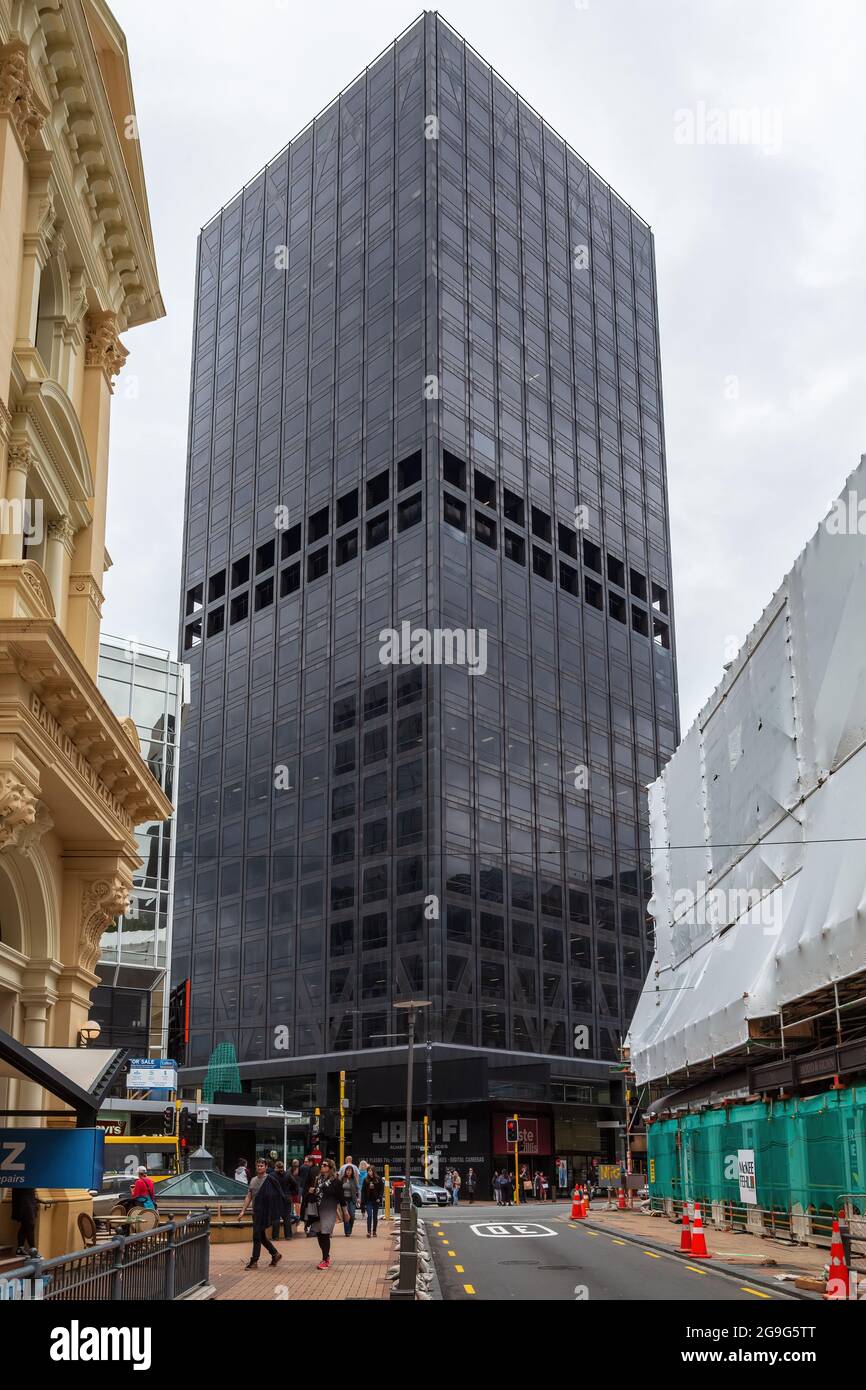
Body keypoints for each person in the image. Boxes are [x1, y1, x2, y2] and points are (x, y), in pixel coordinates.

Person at [240, 1158, 284, 1270]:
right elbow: (249, 1196)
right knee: (262, 1236)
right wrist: (243, 1210)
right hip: (256, 1212)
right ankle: (275, 1254)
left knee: (256, 1236)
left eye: (262, 1166)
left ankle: (254, 1261)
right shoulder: (253, 1180)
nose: (259, 1167)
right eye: (258, 1165)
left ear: (266, 1167)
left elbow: (278, 1195)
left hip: (265, 1213)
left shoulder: (270, 1179)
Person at [308, 1158, 349, 1270]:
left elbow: (341, 1198)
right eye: (322, 1165)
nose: (322, 1166)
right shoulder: (318, 1180)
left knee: (325, 1233)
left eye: (325, 1165)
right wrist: (311, 1192)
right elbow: (314, 1195)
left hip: (329, 1210)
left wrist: (345, 1212)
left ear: (330, 1168)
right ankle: (326, 1256)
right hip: (317, 1210)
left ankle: (325, 1259)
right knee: (319, 1234)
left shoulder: (336, 1182)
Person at [271, 1159, 296, 1241]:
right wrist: (291, 1193)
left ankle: (275, 1236)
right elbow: (295, 1184)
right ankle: (288, 1236)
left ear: (275, 1167)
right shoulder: (288, 1175)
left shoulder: (272, 1175)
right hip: (287, 1198)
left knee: (276, 1218)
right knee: (287, 1218)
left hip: (275, 1198)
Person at [11, 1187, 38, 1257]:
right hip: (25, 1200)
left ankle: (20, 1249)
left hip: (28, 1198)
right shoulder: (23, 1178)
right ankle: (33, 1250)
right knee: (30, 1224)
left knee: (25, 1225)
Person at [339, 1159, 359, 1236]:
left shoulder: (354, 1180)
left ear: (352, 1172)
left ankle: (350, 1227)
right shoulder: (342, 1179)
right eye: (347, 1170)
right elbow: (339, 1189)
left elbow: (358, 1189)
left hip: (352, 1199)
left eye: (350, 1170)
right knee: (346, 1215)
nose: (348, 1171)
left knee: (352, 1215)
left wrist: (359, 1198)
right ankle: (347, 1231)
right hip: (344, 1200)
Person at [364, 1164, 384, 1237]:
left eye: (370, 1171)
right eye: (368, 1171)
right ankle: (369, 1232)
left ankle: (374, 1231)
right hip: (368, 1200)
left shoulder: (378, 1179)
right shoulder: (366, 1180)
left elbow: (382, 1189)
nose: (369, 1172)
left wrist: (380, 1197)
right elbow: (363, 1190)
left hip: (376, 1200)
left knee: (375, 1216)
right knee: (369, 1215)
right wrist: (363, 1200)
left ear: (373, 1171)